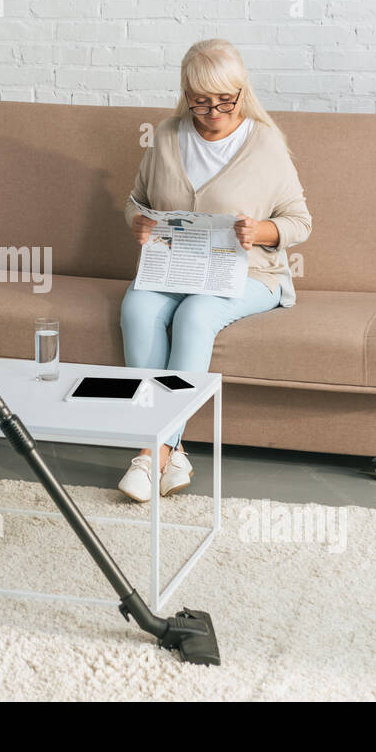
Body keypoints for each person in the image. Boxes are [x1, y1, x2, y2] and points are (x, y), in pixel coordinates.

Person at [118, 39, 312, 502]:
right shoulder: (167, 134)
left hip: (253, 275)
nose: (213, 112)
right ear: (185, 93)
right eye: (200, 101)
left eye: (225, 100)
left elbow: (300, 221)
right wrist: (138, 222)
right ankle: (173, 450)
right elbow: (135, 201)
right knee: (137, 308)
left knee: (196, 315)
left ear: (242, 92)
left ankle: (153, 452)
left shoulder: (264, 143)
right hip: (174, 270)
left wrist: (262, 230)